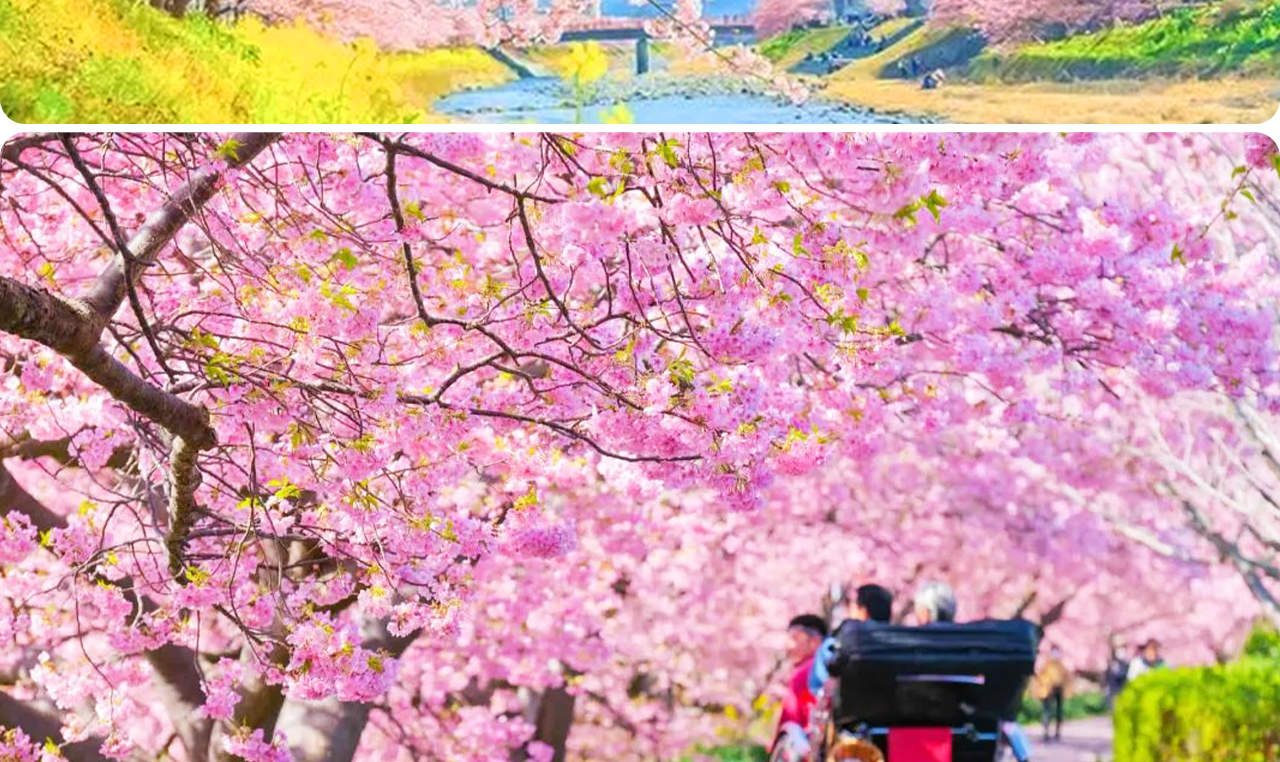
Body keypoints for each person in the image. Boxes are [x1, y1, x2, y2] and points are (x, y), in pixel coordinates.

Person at [808, 584, 894, 694]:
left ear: (863, 611)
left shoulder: (836, 642)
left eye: (850, 605)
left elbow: (817, 687)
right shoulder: (900, 642)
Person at [772, 613, 829, 757]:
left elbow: (790, 719)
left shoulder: (803, 672)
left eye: (794, 638)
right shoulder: (831, 669)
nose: (788, 646)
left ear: (815, 642)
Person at [1033, 645, 1069, 742]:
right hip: (1048, 691)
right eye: (1054, 652)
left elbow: (1067, 679)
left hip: (1059, 690)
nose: (1055, 655)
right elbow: (1040, 678)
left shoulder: (1061, 666)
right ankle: (1046, 732)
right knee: (1047, 712)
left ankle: (1057, 732)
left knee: (1058, 712)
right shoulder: (1046, 665)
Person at [1103, 637, 1129, 709]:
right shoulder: (1112, 663)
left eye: (1122, 647)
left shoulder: (1126, 663)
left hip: (1124, 692)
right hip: (1114, 692)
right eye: (1118, 648)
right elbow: (1108, 677)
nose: (1121, 650)